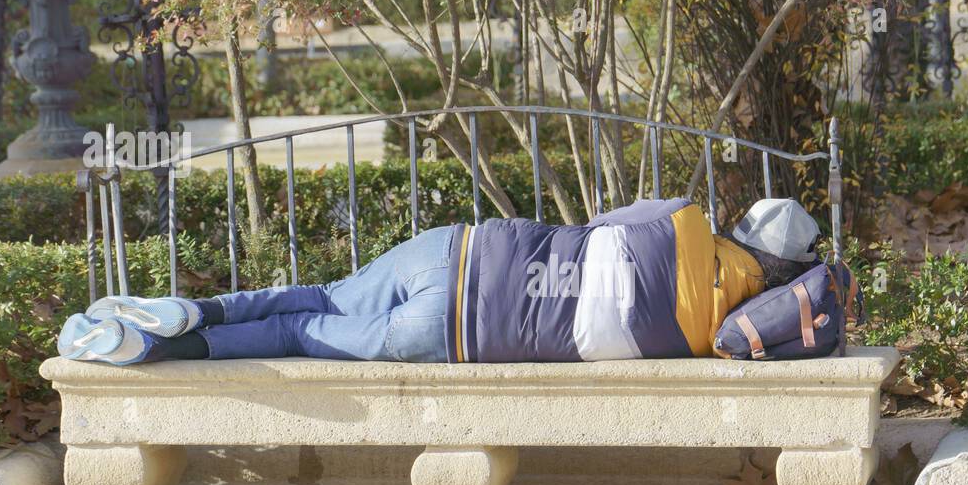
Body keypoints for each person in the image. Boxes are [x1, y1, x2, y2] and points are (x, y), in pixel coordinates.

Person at [57, 196, 822, 366]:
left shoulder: (685, 220)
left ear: (742, 230)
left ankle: (193, 308)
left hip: (462, 255)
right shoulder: (711, 338)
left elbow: (596, 224)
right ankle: (151, 352)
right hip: (457, 338)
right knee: (299, 333)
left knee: (318, 294)